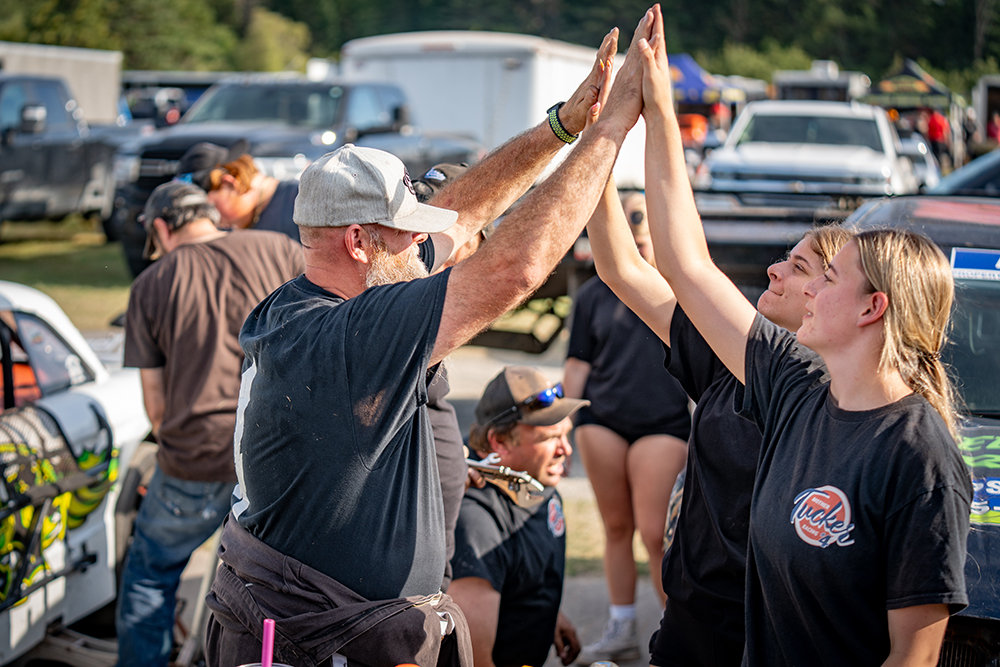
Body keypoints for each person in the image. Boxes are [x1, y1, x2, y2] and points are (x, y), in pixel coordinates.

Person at [204, 14, 655, 665]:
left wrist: (564, 123)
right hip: (317, 643)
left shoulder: (341, 293)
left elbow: (462, 212)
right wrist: (612, 129)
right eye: (404, 230)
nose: (423, 239)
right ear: (358, 241)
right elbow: (513, 267)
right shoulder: (351, 331)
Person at [633, 8, 972, 664]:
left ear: (875, 307)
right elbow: (683, 262)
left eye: (829, 278)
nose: (806, 289)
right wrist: (659, 109)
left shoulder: (919, 459)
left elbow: (913, 658)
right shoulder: (794, 386)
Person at [585, 174, 849, 664]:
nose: (774, 270)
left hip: (764, 633)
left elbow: (687, 264)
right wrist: (597, 153)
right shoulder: (730, 362)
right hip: (692, 620)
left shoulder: (826, 394)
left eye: (798, 266)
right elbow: (622, 269)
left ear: (830, 291)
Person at [117, 181, 303, 667]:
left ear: (161, 227)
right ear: (208, 213)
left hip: (192, 460)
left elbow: (155, 408)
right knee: (261, 586)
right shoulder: (278, 249)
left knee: (150, 575)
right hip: (271, 457)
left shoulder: (151, 285)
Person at [563, 191, 690, 664]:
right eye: (626, 214)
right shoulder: (594, 293)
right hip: (602, 420)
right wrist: (560, 423)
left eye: (643, 214)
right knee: (616, 528)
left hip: (663, 424)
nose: (635, 223)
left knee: (656, 534)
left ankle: (673, 634)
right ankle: (621, 629)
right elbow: (577, 366)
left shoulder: (682, 290)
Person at [450, 366, 587, 667]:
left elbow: (519, 570)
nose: (565, 449)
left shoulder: (533, 478)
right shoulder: (477, 522)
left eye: (566, 433)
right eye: (551, 437)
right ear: (499, 442)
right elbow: (473, 658)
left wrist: (546, 612)